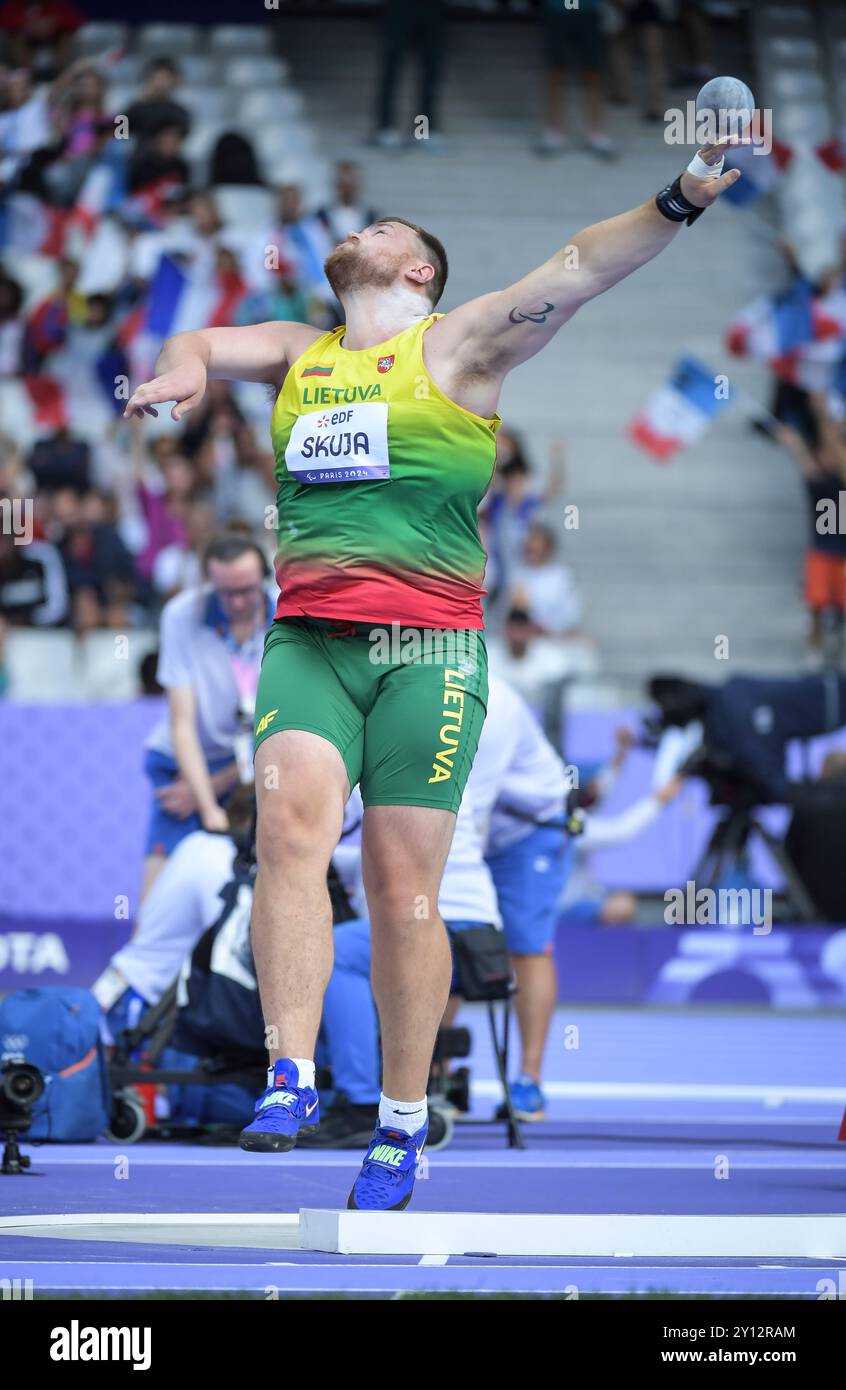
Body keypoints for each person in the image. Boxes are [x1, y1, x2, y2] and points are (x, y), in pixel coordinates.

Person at [124, 134, 743, 1212]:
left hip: (430, 655)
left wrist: (681, 196)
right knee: (286, 839)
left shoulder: (460, 347)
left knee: (402, 890)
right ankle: (288, 1073)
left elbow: (581, 266)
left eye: (387, 227)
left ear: (419, 270)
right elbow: (207, 339)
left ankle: (404, 1122)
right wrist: (184, 365)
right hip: (310, 640)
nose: (362, 230)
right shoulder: (299, 351)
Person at [140, 533, 275, 902]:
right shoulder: (182, 614)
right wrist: (206, 805)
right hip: (186, 764)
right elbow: (181, 725)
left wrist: (220, 785)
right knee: (159, 893)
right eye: (225, 592)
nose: (236, 602)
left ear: (264, 575)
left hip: (256, 764)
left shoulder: (287, 613)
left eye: (246, 590)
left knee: (266, 878)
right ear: (209, 582)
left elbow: (285, 722)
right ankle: (146, 952)